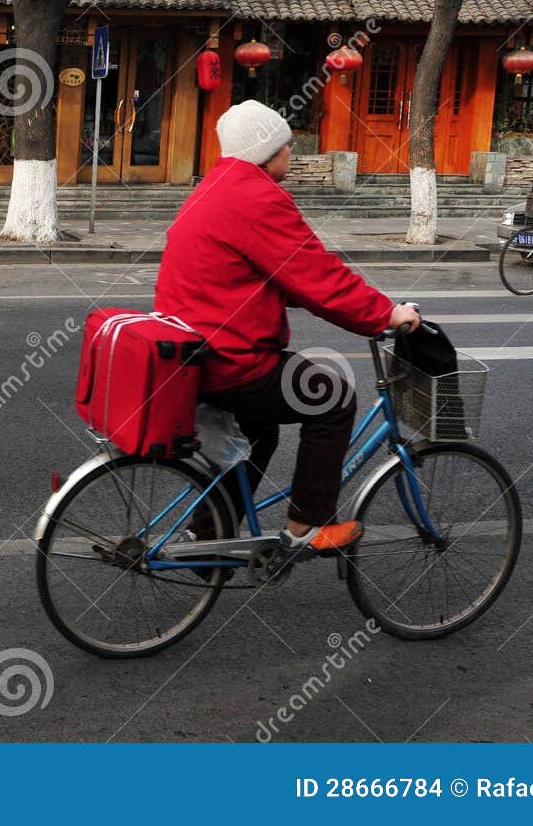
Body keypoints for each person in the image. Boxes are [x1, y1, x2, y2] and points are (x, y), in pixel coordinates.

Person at [155, 100, 419, 554]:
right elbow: (319, 277)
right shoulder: (256, 197)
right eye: (286, 146)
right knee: (332, 397)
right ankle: (308, 525)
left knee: (260, 430)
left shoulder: (216, 186)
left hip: (195, 349)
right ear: (265, 150)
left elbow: (284, 273)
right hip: (228, 358)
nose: (291, 154)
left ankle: (209, 535)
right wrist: (385, 314)